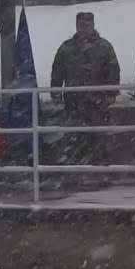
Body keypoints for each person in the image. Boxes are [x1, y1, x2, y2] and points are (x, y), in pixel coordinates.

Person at [49, 12, 121, 164]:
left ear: (93, 25)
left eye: (87, 26)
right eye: (81, 26)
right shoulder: (66, 48)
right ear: (76, 26)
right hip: (73, 103)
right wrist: (55, 93)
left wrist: (110, 95)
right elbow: (57, 72)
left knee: (98, 138)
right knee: (74, 139)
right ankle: (76, 173)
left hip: (97, 103)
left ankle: (99, 172)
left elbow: (113, 72)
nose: (83, 29)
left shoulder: (104, 47)